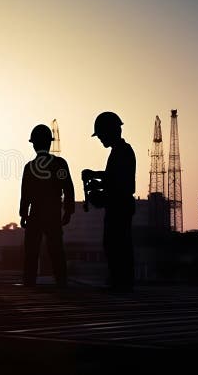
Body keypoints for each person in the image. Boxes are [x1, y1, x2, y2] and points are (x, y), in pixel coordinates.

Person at [82, 112, 136, 293]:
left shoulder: (122, 152)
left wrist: (96, 181)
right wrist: (96, 179)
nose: (100, 140)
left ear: (109, 131)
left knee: (117, 245)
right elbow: (113, 179)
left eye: (101, 135)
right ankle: (119, 282)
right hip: (118, 205)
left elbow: (118, 182)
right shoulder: (119, 152)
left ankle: (121, 283)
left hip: (119, 206)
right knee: (115, 245)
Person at [19, 124, 75, 287]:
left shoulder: (29, 167)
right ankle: (61, 281)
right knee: (56, 248)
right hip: (53, 213)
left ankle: (29, 281)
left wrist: (23, 214)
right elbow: (68, 188)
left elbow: (25, 193)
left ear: (34, 144)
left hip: (35, 213)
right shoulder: (59, 164)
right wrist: (68, 211)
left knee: (31, 250)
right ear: (49, 143)